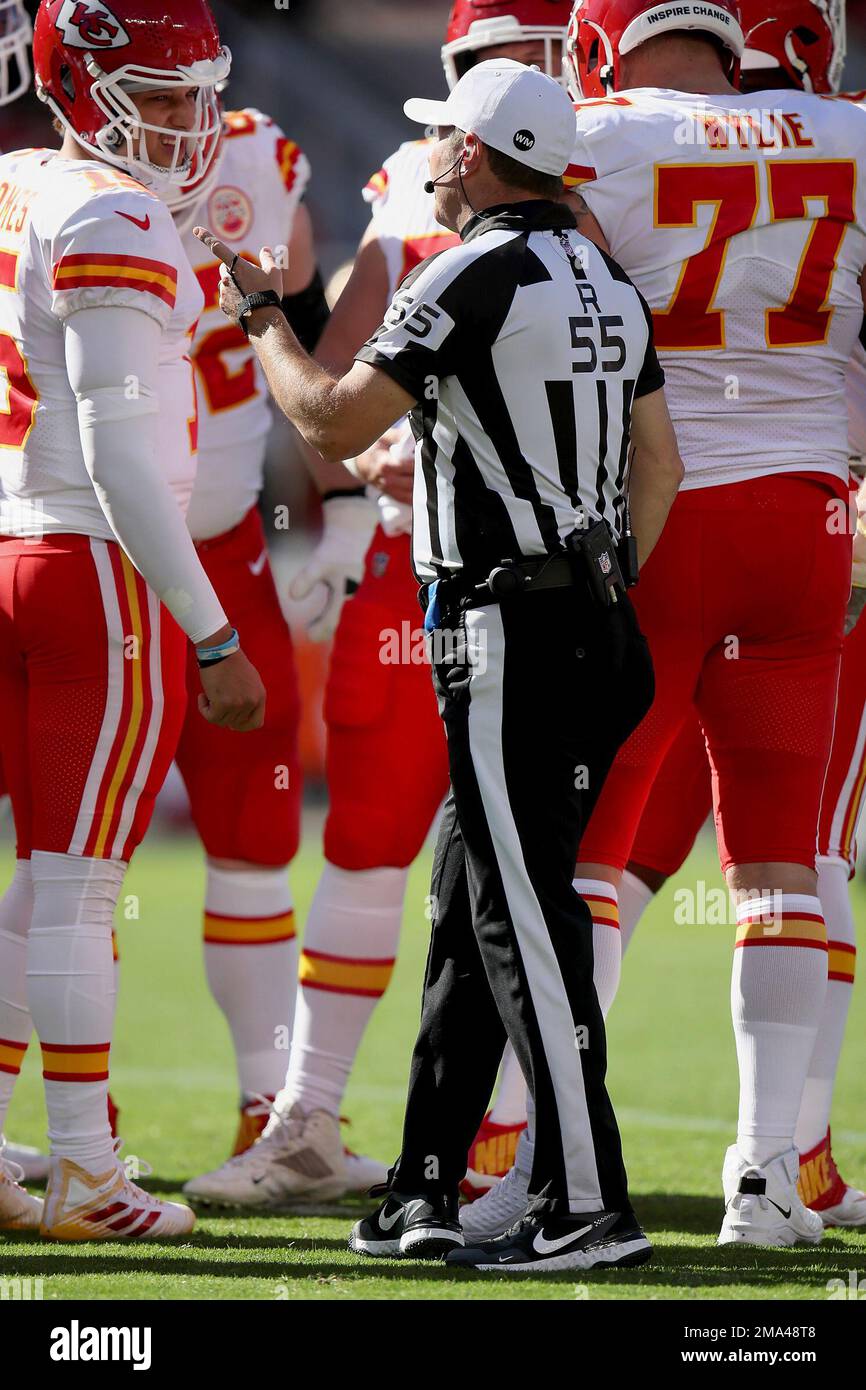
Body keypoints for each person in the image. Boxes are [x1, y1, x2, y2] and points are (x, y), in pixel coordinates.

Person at [196, 54, 683, 1270]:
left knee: (520, 917)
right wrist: (602, 580)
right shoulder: (604, 275)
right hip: (589, 621)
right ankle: (423, 1186)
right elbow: (657, 464)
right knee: (472, 907)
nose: (426, 157)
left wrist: (263, 317)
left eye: (440, 139)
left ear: (471, 152)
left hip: (506, 626)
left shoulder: (466, 270)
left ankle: (584, 1200)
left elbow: (330, 421)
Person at [465, 0, 866, 1244]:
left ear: (599, 44)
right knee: (780, 861)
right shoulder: (848, 133)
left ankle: (547, 1155)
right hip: (805, 519)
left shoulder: (592, 138)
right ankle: (765, 1173)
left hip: (654, 514)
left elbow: (533, 312)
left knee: (586, 853)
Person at [185, 0, 574, 1211]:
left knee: (455, 856)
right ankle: (477, 1135)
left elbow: (329, 408)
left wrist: (361, 474)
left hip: (447, 565)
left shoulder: (434, 181)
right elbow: (340, 420)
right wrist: (367, 483)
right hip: (524, 571)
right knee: (458, 854)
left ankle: (453, 1129)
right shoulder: (579, 177)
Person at [0, 0, 264, 1240]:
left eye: (193, 96)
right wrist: (213, 632)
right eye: (155, 98)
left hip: (17, 547)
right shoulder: (113, 211)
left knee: (39, 881)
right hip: (90, 565)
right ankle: (88, 1171)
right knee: (79, 886)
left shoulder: (20, 183)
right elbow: (118, 458)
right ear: (82, 88)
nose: (183, 124)